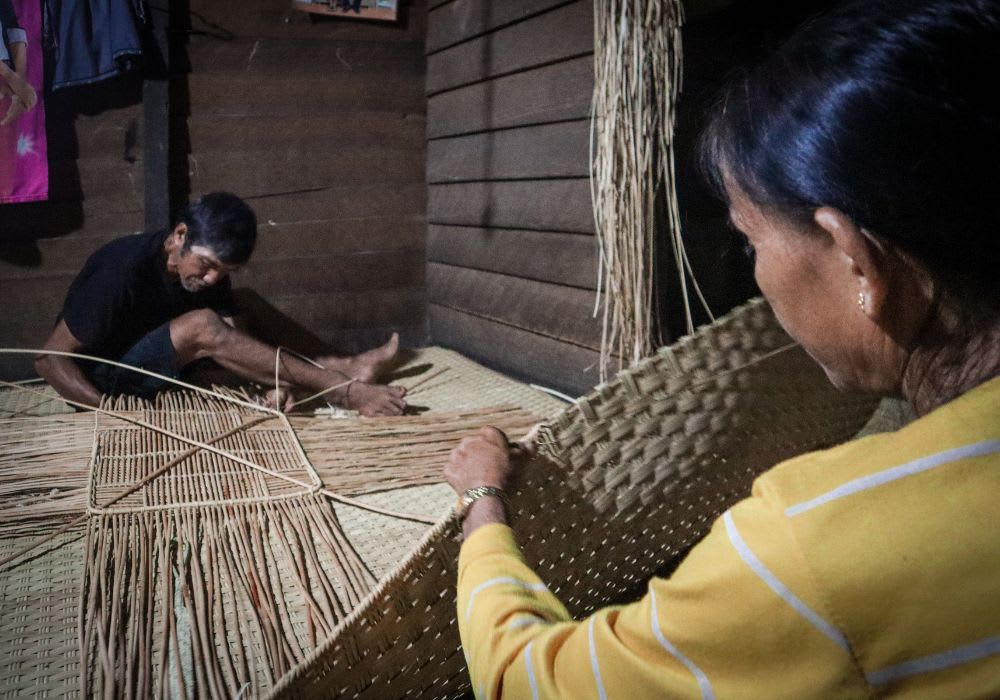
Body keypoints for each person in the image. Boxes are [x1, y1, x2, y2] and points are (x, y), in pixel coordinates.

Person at [444, 0, 1000, 697]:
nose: (756, 275)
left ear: (856, 261)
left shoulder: (808, 550)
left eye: (751, 240)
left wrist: (482, 498)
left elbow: (526, 680)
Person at [35, 192, 408, 416]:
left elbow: (239, 336)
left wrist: (271, 383)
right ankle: (347, 390)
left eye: (223, 269)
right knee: (202, 324)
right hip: (104, 384)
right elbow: (49, 359)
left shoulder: (201, 271)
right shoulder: (120, 271)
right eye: (208, 265)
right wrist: (109, 414)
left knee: (243, 302)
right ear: (180, 235)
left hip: (164, 366)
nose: (212, 278)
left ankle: (343, 364)